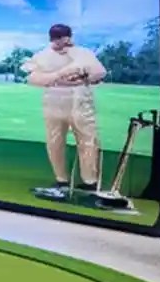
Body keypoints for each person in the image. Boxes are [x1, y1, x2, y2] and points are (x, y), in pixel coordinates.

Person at [22, 23, 107, 189]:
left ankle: (90, 181)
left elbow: (99, 73)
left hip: (80, 101)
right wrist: (56, 77)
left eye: (60, 38)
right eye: (54, 39)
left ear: (68, 37)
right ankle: (61, 179)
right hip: (54, 101)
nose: (57, 42)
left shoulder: (83, 54)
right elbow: (33, 78)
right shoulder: (42, 55)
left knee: (88, 140)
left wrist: (83, 78)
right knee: (54, 141)